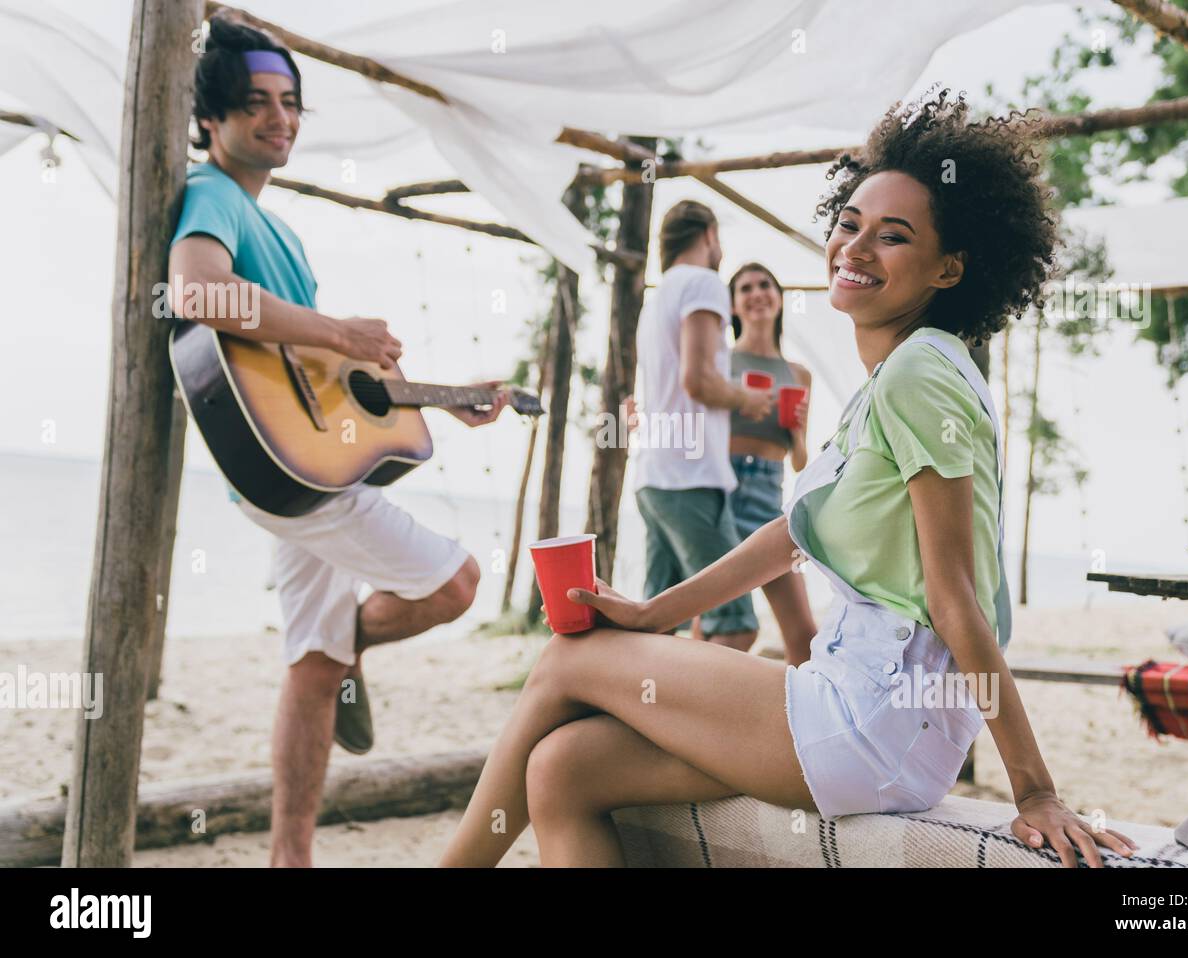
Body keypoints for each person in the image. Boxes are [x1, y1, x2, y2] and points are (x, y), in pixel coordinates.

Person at [439, 91, 1139, 868]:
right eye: (849, 224)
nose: (857, 247)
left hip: (877, 719)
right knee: (564, 770)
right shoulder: (892, 381)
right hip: (866, 707)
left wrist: (1035, 789)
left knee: (567, 661)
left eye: (893, 236)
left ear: (950, 268)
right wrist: (651, 613)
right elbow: (790, 536)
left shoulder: (919, 374)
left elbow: (956, 595)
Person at [166, 17, 507, 867]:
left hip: (303, 463)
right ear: (211, 120)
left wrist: (444, 398)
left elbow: (316, 382)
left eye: (289, 103)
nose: (278, 118)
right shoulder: (213, 196)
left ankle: (291, 858)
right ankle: (352, 647)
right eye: (255, 104)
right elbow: (199, 292)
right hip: (288, 479)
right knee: (455, 584)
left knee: (314, 667)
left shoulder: (280, 231)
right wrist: (340, 329)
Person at [629, 200, 773, 652]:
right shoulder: (704, 283)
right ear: (709, 234)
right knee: (733, 624)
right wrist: (748, 398)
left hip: (654, 480)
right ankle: (693, 721)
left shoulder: (656, 298)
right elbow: (699, 381)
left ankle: (639, 717)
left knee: (653, 624)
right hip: (691, 477)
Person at [700, 263, 817, 663]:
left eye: (765, 284)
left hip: (770, 500)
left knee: (804, 636)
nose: (757, 293)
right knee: (718, 628)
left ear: (779, 298)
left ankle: (790, 722)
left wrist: (798, 433)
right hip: (722, 493)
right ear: (732, 306)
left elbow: (800, 462)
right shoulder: (719, 362)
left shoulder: (798, 374)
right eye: (745, 288)